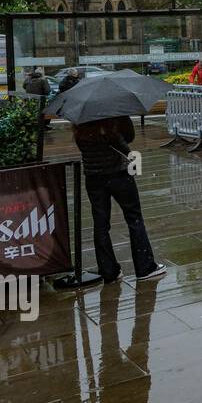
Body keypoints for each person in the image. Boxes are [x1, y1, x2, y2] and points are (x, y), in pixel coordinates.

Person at [72, 116, 164, 283]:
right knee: (134, 217)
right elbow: (129, 137)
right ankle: (145, 267)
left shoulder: (79, 125)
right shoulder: (113, 117)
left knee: (100, 224)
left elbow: (82, 147)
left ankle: (109, 271)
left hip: (93, 178)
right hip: (119, 174)